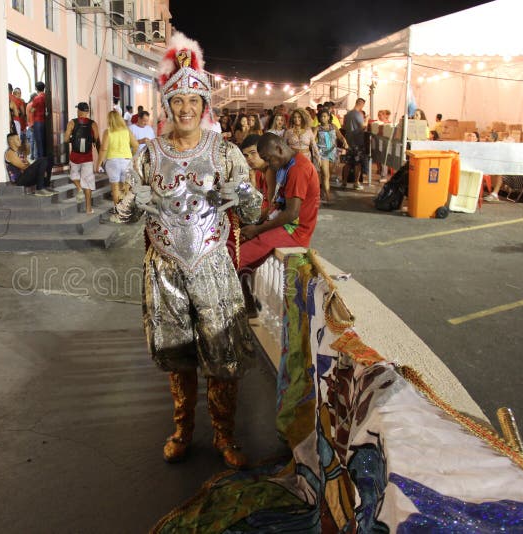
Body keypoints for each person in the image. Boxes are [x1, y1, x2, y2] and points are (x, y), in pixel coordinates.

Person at [114, 32, 262, 470]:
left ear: (204, 108)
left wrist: (243, 196)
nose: (185, 109)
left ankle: (224, 434)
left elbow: (252, 210)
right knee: (179, 357)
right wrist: (130, 202)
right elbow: (123, 215)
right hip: (165, 269)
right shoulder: (148, 153)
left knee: (222, 356)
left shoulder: (225, 151)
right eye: (177, 102)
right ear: (168, 106)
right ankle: (182, 429)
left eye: (193, 103)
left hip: (213, 266)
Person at [232, 133, 320, 276]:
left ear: (279, 149)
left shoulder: (299, 168)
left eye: (268, 159)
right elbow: (276, 206)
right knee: (238, 249)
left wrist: (257, 230)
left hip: (294, 231)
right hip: (282, 225)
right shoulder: (286, 164)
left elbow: (291, 214)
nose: (269, 164)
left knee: (236, 258)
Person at [97, 110, 139, 212]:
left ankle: (118, 211)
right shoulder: (127, 130)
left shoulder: (108, 131)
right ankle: (125, 209)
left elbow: (103, 149)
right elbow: (136, 145)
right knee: (124, 187)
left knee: (115, 188)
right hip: (126, 161)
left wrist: (98, 164)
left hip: (112, 162)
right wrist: (130, 155)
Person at [64, 102, 100, 212]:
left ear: (79, 111)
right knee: (88, 183)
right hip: (88, 157)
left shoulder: (72, 122)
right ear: (87, 112)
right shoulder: (93, 124)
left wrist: (72, 139)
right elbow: (97, 141)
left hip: (75, 156)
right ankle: (89, 209)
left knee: (74, 176)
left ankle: (79, 188)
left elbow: (65, 139)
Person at [316, 109, 348, 198]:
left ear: (329, 117)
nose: (323, 118)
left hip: (333, 153)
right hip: (322, 153)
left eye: (325, 116)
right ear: (319, 118)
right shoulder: (317, 128)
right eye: (321, 116)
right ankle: (327, 196)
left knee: (329, 174)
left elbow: (340, 136)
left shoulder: (333, 126)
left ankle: (323, 189)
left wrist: (344, 141)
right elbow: (312, 140)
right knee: (326, 174)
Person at [342, 97, 367, 190]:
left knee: (348, 163)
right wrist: (367, 120)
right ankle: (356, 183)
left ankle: (344, 181)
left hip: (349, 141)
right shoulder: (359, 114)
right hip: (357, 142)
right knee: (357, 163)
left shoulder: (347, 114)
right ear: (361, 104)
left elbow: (344, 127)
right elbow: (362, 127)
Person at [29, 81, 47, 158]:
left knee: (39, 142)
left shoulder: (37, 98)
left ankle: (40, 161)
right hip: (45, 121)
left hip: (38, 121)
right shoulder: (46, 96)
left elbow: (32, 110)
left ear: (36, 88)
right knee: (44, 141)